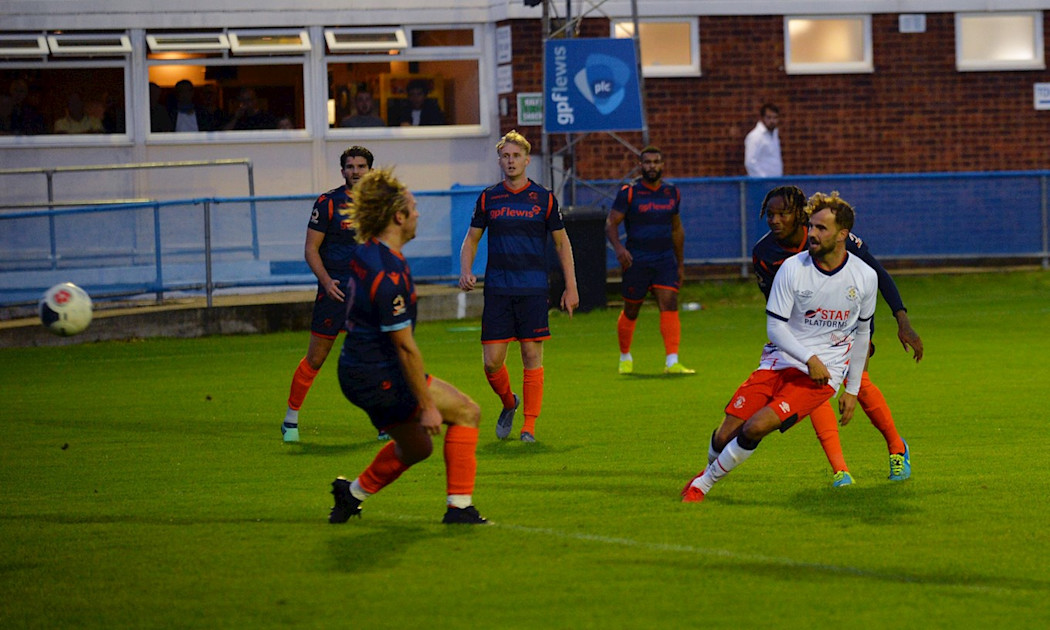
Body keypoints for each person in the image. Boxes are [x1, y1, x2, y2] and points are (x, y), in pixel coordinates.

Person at [682, 191, 878, 502]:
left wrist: (851, 390)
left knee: (755, 427)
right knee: (724, 434)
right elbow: (775, 327)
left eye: (821, 228)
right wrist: (808, 356)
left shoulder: (865, 276)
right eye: (811, 226)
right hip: (779, 361)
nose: (812, 233)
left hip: (822, 376)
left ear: (842, 235)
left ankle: (701, 486)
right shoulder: (791, 268)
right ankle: (707, 472)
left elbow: (863, 332)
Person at [328, 168, 488, 525]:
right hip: (380, 373)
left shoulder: (367, 252)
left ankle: (351, 494)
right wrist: (428, 406)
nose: (418, 214)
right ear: (399, 217)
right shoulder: (389, 274)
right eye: (413, 208)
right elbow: (405, 349)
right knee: (466, 412)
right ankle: (460, 509)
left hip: (354, 371)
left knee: (418, 447)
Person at [752, 185, 922, 485]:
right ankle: (840, 470)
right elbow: (776, 305)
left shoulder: (829, 233)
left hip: (848, 322)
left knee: (859, 383)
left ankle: (897, 448)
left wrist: (902, 319)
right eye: (771, 214)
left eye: (783, 213)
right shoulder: (765, 253)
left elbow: (877, 274)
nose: (775, 220)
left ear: (799, 215)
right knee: (813, 386)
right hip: (805, 330)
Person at [459, 130, 579, 442]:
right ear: (499, 161)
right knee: (492, 362)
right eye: (506, 156)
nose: (511, 161)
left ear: (527, 160)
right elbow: (471, 239)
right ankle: (509, 402)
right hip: (498, 289)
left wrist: (571, 287)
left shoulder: (544, 198)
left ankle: (529, 427)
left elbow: (562, 244)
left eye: (516, 156)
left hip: (533, 289)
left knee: (530, 354)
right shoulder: (489, 198)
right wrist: (465, 270)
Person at [282, 146, 382, 442]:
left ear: (370, 171)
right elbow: (311, 249)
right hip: (335, 293)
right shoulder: (328, 203)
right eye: (350, 166)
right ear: (342, 171)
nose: (355, 171)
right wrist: (326, 282)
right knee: (315, 358)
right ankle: (290, 419)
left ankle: (383, 424)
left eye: (361, 166)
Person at [605, 146, 694, 375]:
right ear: (640, 165)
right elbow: (611, 223)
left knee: (670, 303)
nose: (652, 166)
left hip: (664, 259)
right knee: (632, 309)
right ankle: (625, 356)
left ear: (662, 165)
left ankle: (672, 361)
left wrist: (680, 263)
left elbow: (677, 229)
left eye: (656, 162)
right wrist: (619, 248)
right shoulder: (630, 192)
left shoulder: (672, 192)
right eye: (647, 162)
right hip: (637, 260)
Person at [744, 103, 782, 177]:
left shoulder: (774, 135)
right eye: (769, 117)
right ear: (762, 118)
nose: (772, 121)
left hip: (775, 182)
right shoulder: (755, 136)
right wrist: (763, 180)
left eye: (775, 118)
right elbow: (750, 162)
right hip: (762, 184)